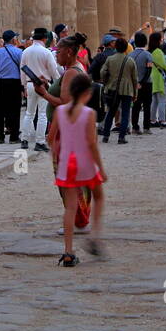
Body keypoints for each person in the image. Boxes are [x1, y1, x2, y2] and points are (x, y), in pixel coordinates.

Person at [51, 73, 106, 267]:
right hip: (85, 162)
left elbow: (51, 137)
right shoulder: (89, 113)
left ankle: (68, 251)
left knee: (70, 208)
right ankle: (94, 236)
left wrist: (56, 155)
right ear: (87, 93)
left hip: (67, 162)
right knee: (98, 196)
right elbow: (92, 143)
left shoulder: (60, 111)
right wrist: (100, 166)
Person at [21, 27, 60, 151]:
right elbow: (53, 71)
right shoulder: (46, 52)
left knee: (29, 113)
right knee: (42, 114)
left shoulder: (26, 52)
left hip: (30, 83)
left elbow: (22, 71)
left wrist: (24, 86)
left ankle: (24, 139)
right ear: (45, 38)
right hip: (44, 84)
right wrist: (58, 83)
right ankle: (40, 141)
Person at [99, 38, 137, 145]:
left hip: (112, 88)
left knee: (111, 112)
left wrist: (106, 82)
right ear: (126, 48)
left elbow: (103, 72)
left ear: (115, 47)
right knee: (125, 114)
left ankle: (106, 136)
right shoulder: (130, 61)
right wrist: (135, 93)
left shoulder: (110, 59)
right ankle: (121, 137)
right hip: (127, 90)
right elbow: (135, 79)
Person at [0, 30, 24, 144]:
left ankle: (0, 136)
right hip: (14, 83)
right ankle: (14, 136)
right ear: (13, 39)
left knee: (0, 109)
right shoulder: (19, 52)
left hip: (1, 82)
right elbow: (21, 69)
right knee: (15, 109)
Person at [128, 32, 154, 135]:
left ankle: (135, 127)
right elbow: (149, 70)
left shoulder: (130, 55)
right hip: (146, 83)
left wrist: (136, 82)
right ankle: (147, 127)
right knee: (147, 105)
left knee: (135, 105)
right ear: (145, 42)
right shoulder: (148, 55)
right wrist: (142, 82)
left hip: (134, 84)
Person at [146, 32, 166, 128]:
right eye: (161, 39)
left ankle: (152, 120)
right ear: (157, 40)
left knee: (154, 101)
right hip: (159, 79)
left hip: (151, 78)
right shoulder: (158, 52)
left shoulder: (149, 52)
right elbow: (164, 65)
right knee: (162, 100)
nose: (162, 40)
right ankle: (163, 121)